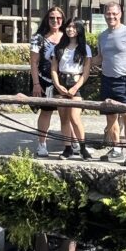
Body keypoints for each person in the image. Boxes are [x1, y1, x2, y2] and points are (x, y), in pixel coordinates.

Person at [92, 2, 126, 167]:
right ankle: (116, 149)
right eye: (108, 14)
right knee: (111, 118)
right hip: (107, 79)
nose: (111, 16)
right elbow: (100, 58)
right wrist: (82, 62)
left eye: (114, 13)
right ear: (104, 15)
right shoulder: (102, 36)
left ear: (120, 14)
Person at [50, 17, 92, 159]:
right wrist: (58, 85)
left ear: (79, 29)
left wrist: (75, 88)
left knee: (75, 117)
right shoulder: (58, 48)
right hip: (61, 82)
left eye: (74, 27)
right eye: (68, 26)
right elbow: (54, 69)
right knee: (64, 118)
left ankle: (83, 148)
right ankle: (67, 148)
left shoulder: (85, 48)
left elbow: (86, 72)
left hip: (76, 83)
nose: (70, 29)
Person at [29, 6, 65, 157]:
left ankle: (70, 145)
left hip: (65, 82)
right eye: (52, 18)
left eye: (58, 18)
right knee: (46, 112)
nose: (55, 21)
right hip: (45, 81)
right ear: (47, 19)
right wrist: (36, 84)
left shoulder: (67, 36)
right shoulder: (38, 38)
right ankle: (42, 144)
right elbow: (34, 63)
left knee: (67, 114)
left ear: (62, 19)